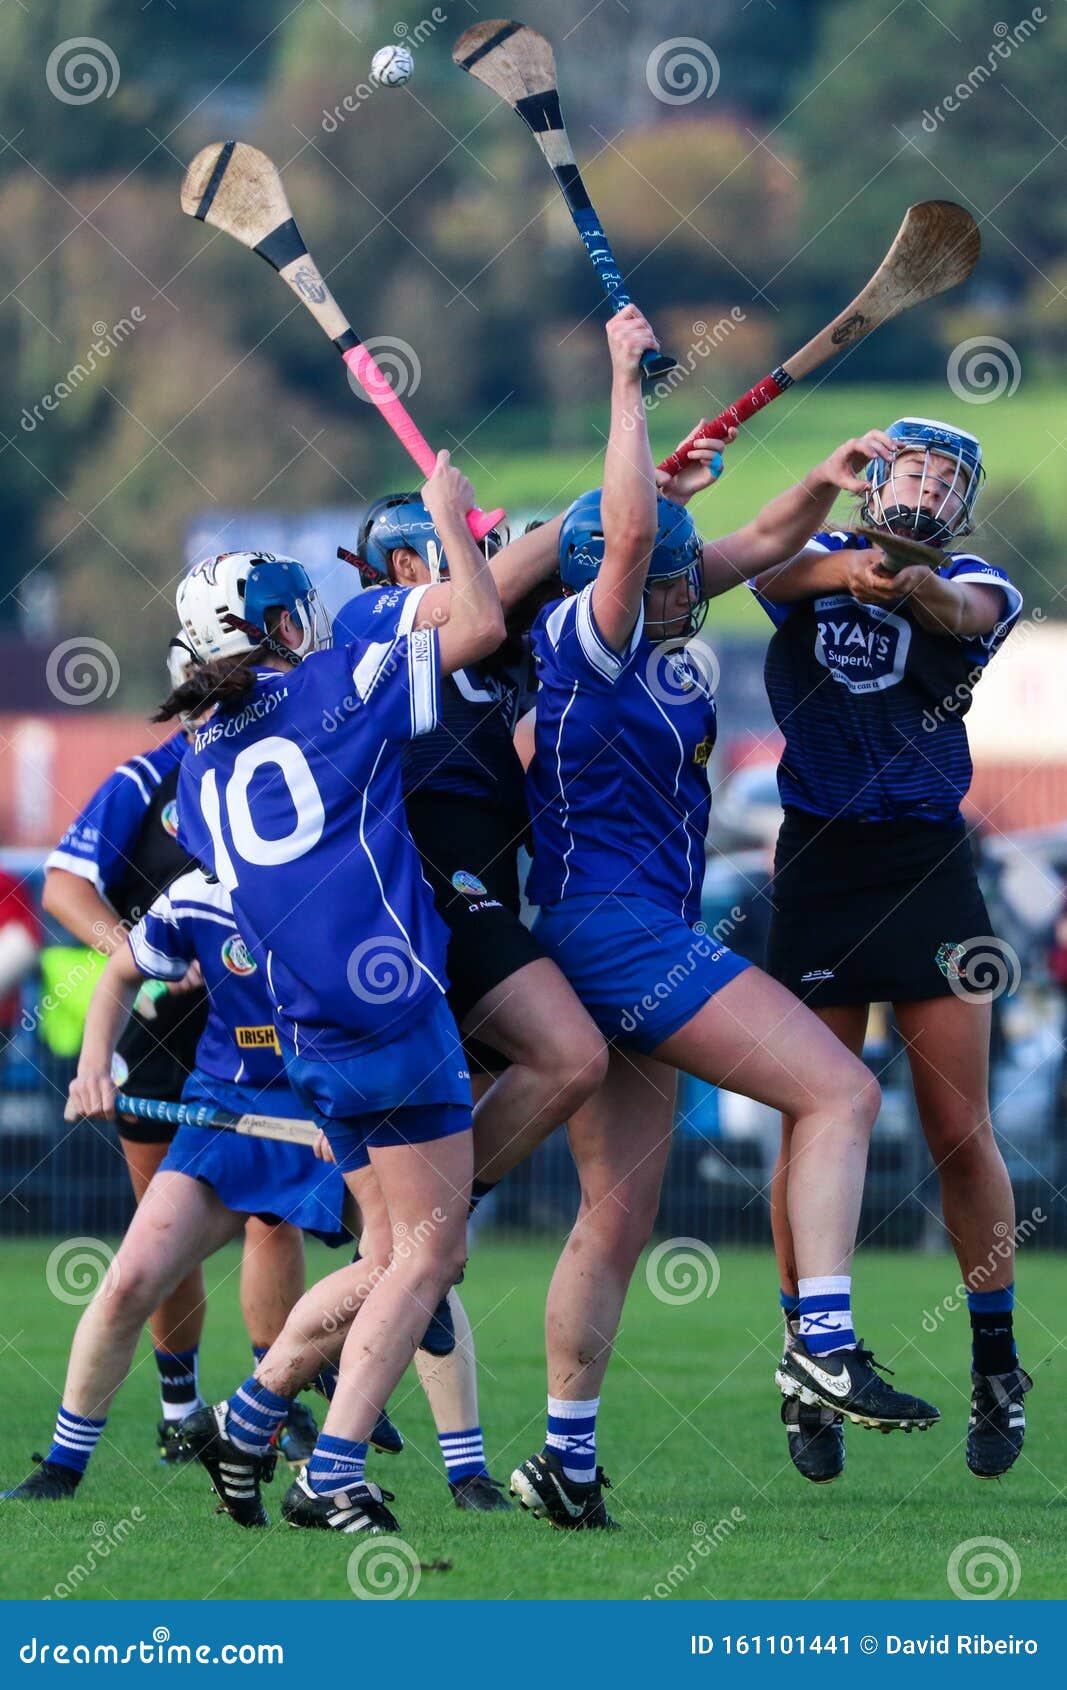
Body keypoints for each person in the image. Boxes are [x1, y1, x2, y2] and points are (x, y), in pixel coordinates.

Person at [510, 305, 938, 1532]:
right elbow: (637, 531)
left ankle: (566, 1458)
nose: (694, 590)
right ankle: (821, 1340)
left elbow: (747, 540)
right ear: (620, 571)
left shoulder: (651, 636)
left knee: (617, 1215)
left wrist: (816, 480)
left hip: (609, 939)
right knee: (840, 1093)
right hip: (616, 934)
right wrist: (621, 383)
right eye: (668, 575)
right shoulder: (588, 642)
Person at [161, 453, 505, 1534]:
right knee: (428, 1254)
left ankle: (253, 1417)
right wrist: (453, 525)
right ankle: (332, 1467)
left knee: (384, 1254)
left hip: (307, 1029)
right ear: (271, 629)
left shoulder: (191, 767)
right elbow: (483, 630)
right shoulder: (333, 684)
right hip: (393, 1008)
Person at [751, 417, 1029, 1484]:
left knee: (957, 1132)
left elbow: (956, 607)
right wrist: (842, 571)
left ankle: (994, 1363)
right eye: (905, 470)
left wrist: (902, 587)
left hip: (926, 870)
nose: (920, 491)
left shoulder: (975, 582)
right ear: (869, 479)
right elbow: (763, 570)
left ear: (961, 500)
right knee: (810, 1125)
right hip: (814, 865)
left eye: (940, 478)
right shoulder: (810, 570)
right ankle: (805, 1356)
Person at [40, 656, 309, 1463]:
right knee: (163, 1221)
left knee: (274, 1216)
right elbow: (63, 886)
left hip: (264, 1028)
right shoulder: (142, 779)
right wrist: (137, 954)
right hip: (164, 1030)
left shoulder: (291, 760)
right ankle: (181, 1404)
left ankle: (276, 1397)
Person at [336, 498, 607, 1199]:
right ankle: (434, 1212)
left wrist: (644, 502)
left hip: (490, 872)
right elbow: (486, 597)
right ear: (403, 564)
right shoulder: (368, 617)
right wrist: (585, 509)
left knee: (423, 1249)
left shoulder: (502, 634)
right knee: (569, 1056)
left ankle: (419, 1236)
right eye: (467, 548)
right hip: (430, 867)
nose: (485, 561)